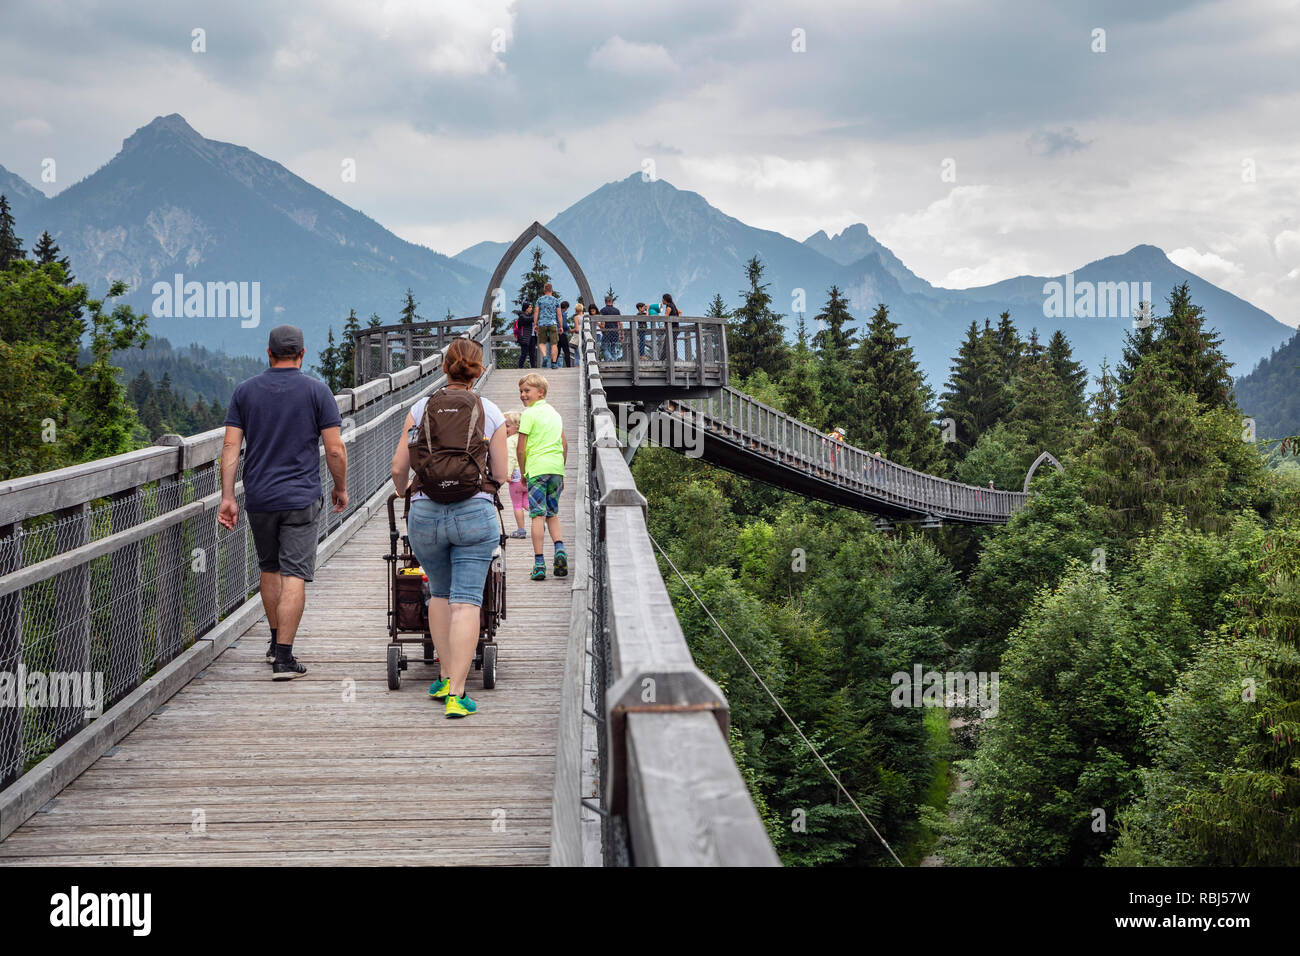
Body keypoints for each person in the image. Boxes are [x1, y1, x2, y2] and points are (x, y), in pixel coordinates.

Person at [219, 325, 348, 681]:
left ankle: (275, 643)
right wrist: (341, 487)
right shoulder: (317, 391)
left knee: (270, 568)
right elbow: (335, 448)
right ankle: (285, 659)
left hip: (259, 497)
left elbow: (230, 448)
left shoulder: (245, 391)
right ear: (302, 354)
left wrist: (228, 496)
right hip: (301, 496)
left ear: (269, 353)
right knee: (294, 574)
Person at [390, 338, 508, 718]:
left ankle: (443, 677)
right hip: (474, 513)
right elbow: (503, 474)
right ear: (478, 370)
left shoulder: (421, 408)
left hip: (424, 514)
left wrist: (407, 493)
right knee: (466, 600)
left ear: (444, 368)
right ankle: (458, 695)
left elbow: (398, 469)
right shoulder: (490, 411)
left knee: (439, 594)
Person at [517, 372, 568, 581]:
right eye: (520, 391)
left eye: (526, 391)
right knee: (552, 513)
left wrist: (522, 473)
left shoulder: (528, 414)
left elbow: (521, 449)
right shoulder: (555, 414)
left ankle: (539, 563)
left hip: (537, 469)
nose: (522, 395)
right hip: (556, 469)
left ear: (541, 392)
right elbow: (564, 445)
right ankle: (560, 549)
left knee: (537, 515)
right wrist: (561, 471)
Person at [504, 410, 528, 538]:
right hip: (528, 475)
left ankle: (521, 530)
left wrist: (507, 474)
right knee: (526, 502)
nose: (505, 429)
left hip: (516, 476)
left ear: (516, 427)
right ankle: (540, 520)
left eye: (507, 426)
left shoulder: (510, 441)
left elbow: (511, 458)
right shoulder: (527, 439)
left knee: (517, 504)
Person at [535, 282, 561, 368]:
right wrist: (560, 326)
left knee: (542, 343)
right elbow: (559, 314)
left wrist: (535, 324)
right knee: (554, 344)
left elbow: (536, 312)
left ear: (544, 290)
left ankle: (545, 356)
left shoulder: (539, 300)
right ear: (552, 290)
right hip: (553, 323)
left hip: (542, 323)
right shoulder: (556, 300)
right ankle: (554, 363)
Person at [597, 295, 622, 361]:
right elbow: (620, 323)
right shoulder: (617, 311)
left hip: (606, 333)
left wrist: (597, 323)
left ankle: (610, 360)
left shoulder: (603, 310)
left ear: (605, 302)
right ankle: (614, 363)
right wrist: (622, 334)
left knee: (604, 348)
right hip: (615, 332)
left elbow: (603, 325)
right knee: (613, 349)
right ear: (612, 301)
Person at [515, 304, 538, 369]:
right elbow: (528, 319)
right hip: (525, 337)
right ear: (526, 308)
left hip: (533, 337)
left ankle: (533, 367)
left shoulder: (531, 315)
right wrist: (536, 314)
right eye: (530, 307)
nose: (531, 309)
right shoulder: (522, 316)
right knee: (524, 354)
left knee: (532, 354)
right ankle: (520, 367)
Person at [661, 293, 683, 361]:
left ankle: (661, 360)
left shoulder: (668, 306)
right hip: (676, 328)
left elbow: (666, 316)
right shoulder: (673, 305)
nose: (662, 300)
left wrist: (665, 327)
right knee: (673, 344)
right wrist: (677, 319)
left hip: (672, 329)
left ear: (665, 299)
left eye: (662, 299)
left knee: (666, 344)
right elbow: (680, 312)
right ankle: (674, 359)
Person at [558, 300, 572, 368]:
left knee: (557, 351)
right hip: (562, 333)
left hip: (556, 333)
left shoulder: (557, 313)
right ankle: (568, 365)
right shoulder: (563, 314)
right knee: (566, 351)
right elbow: (564, 325)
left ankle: (554, 364)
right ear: (566, 307)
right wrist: (568, 328)